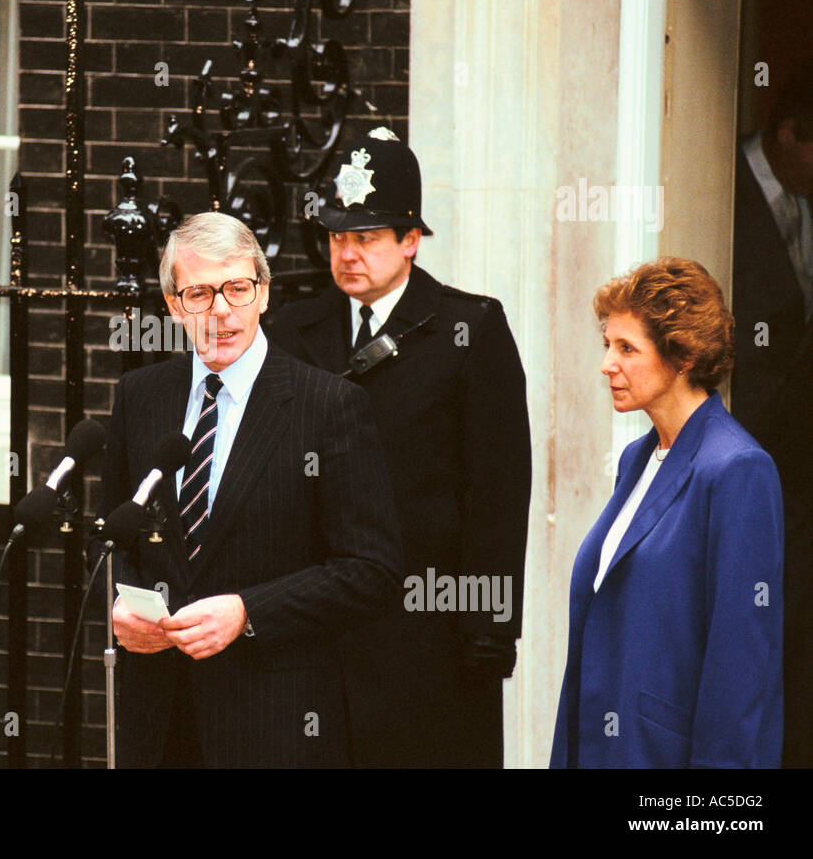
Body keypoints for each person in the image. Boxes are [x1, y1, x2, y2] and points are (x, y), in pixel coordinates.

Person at [102, 211, 404, 768]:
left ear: (263, 294)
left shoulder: (328, 406)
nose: (221, 310)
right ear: (173, 305)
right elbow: (109, 538)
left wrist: (248, 611)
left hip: (276, 724)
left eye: (237, 288)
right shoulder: (140, 397)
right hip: (158, 718)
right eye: (199, 293)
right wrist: (118, 607)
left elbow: (371, 570)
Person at [269, 127, 531, 768]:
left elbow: (495, 491)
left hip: (427, 632)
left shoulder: (469, 329)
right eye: (336, 236)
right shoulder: (289, 329)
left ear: (411, 240)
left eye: (366, 237)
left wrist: (487, 634)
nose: (347, 253)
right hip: (316, 629)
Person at [550, 258, 783, 768]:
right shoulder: (638, 458)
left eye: (627, 348)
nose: (607, 363)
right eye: (607, 345)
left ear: (682, 356)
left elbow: (742, 665)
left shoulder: (737, 468)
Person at [731, 62, 813, 767]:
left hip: (800, 463)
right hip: (750, 450)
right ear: (788, 133)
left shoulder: (807, 197)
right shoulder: (718, 185)